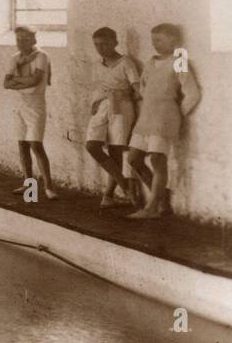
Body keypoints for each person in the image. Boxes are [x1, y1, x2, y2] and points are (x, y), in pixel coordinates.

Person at [126, 23, 202, 219]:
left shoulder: (179, 59)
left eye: (159, 40)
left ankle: (152, 208)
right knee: (133, 159)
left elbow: (192, 93)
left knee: (157, 160)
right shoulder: (151, 62)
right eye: (153, 40)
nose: (155, 44)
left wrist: (177, 113)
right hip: (147, 116)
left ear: (174, 40)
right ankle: (162, 198)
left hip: (164, 117)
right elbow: (144, 88)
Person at [84, 27, 140, 208]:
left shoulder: (126, 62)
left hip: (121, 108)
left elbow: (137, 88)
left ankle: (108, 196)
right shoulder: (97, 65)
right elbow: (100, 87)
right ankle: (125, 186)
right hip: (102, 107)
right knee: (92, 145)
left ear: (115, 43)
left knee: (116, 151)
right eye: (97, 44)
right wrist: (95, 102)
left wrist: (128, 94)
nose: (101, 48)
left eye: (105, 44)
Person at [3, 26, 58, 200]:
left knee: (36, 145)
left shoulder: (42, 56)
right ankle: (30, 187)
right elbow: (5, 83)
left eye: (25, 39)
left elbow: (36, 80)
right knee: (23, 145)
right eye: (18, 39)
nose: (21, 43)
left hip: (36, 104)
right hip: (19, 104)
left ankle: (49, 187)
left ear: (34, 40)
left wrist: (16, 80)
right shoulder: (14, 58)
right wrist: (20, 76)